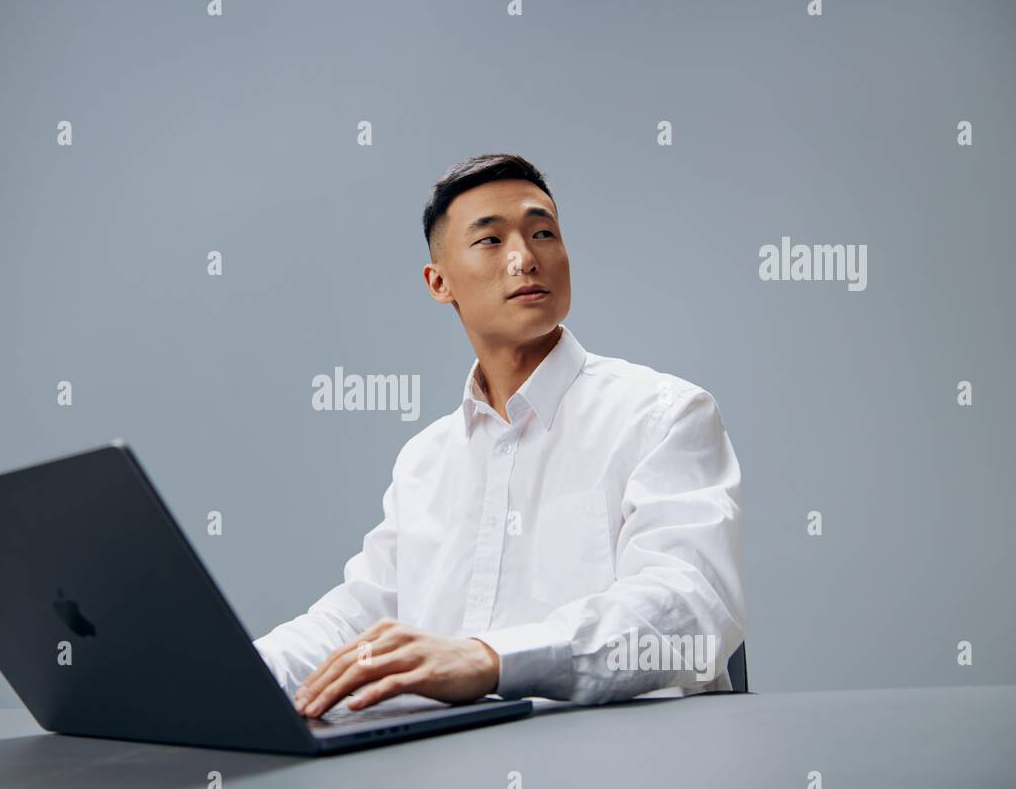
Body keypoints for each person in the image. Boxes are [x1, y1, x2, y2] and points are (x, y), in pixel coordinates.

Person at [255, 153, 745, 719]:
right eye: (490, 241)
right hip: (446, 781)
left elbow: (690, 609)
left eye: (543, 233)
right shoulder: (425, 461)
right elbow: (356, 623)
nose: (524, 258)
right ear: (439, 282)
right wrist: (227, 675)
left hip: (621, 778)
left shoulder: (663, 414)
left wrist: (490, 659)